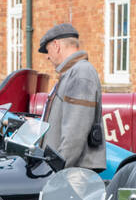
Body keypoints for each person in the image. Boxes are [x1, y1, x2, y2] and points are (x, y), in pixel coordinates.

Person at [37, 23, 106, 171]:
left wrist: (56, 169)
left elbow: (75, 132)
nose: (48, 57)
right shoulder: (72, 73)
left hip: (73, 174)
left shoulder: (81, 74)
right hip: (70, 171)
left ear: (56, 45)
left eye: (47, 50)